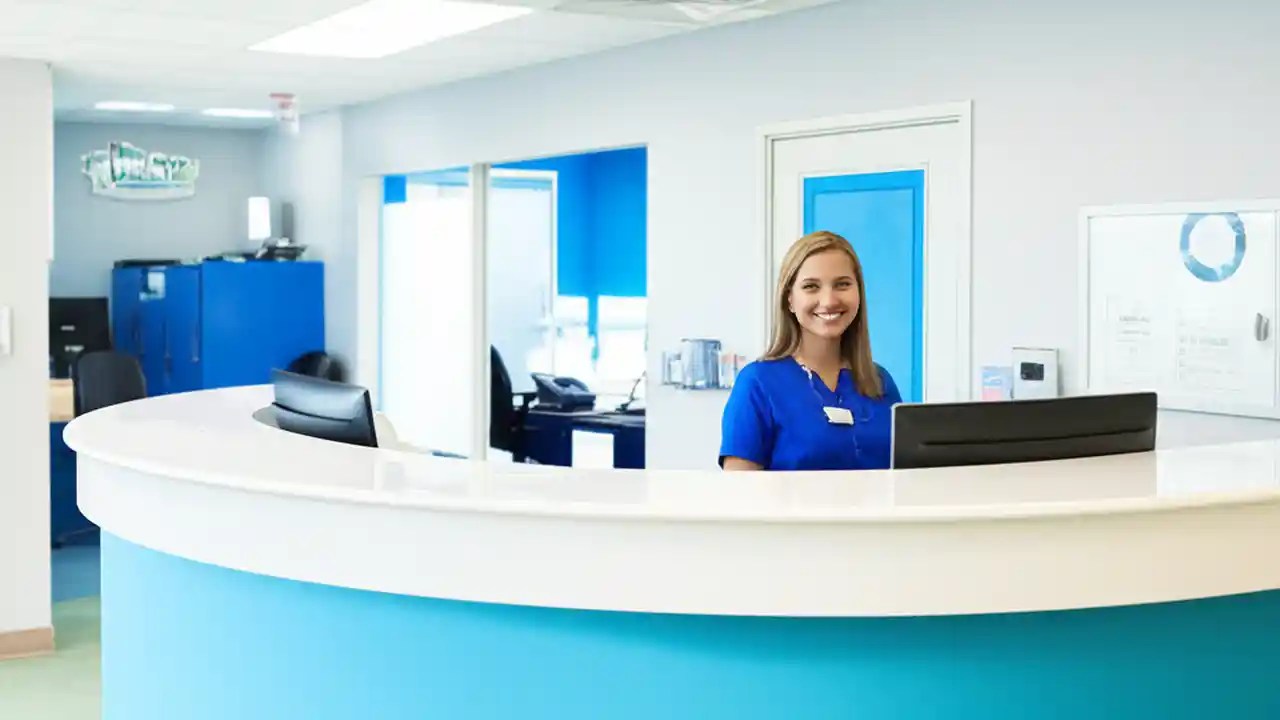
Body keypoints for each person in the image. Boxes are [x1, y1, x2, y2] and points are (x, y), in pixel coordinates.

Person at [719, 230, 902, 471]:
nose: (828, 300)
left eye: (842, 284)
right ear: (790, 300)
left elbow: (904, 481)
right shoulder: (757, 384)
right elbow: (740, 497)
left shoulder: (880, 382)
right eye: (811, 286)